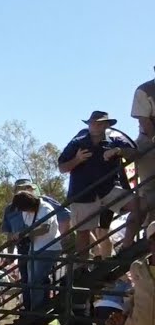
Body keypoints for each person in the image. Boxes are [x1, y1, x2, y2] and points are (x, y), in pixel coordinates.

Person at [58, 111, 136, 259]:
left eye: (99, 123)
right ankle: (83, 266)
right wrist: (77, 159)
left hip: (109, 190)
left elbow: (134, 153)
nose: (95, 126)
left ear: (106, 125)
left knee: (138, 206)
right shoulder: (77, 142)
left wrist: (119, 151)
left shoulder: (114, 141)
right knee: (83, 232)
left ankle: (126, 246)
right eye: (92, 123)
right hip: (82, 192)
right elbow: (62, 167)